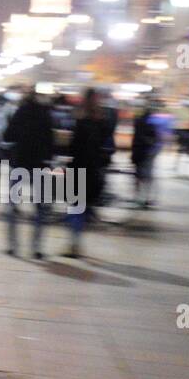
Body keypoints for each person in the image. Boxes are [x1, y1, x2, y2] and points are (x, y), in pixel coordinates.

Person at [1, 87, 55, 259]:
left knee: (11, 206)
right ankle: (36, 248)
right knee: (40, 208)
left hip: (20, 163)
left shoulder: (20, 112)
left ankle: (13, 246)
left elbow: (8, 136)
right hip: (39, 165)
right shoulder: (46, 114)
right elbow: (51, 141)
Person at [65, 87, 109, 259]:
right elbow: (104, 145)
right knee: (82, 207)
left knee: (74, 207)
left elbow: (73, 147)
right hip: (93, 170)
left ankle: (74, 244)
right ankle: (76, 242)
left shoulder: (80, 121)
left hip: (78, 169)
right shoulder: (102, 121)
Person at [131, 102, 162, 209]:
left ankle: (139, 198)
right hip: (147, 151)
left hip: (140, 151)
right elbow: (155, 138)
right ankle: (146, 198)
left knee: (139, 175)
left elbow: (136, 138)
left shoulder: (139, 122)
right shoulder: (152, 123)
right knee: (147, 175)